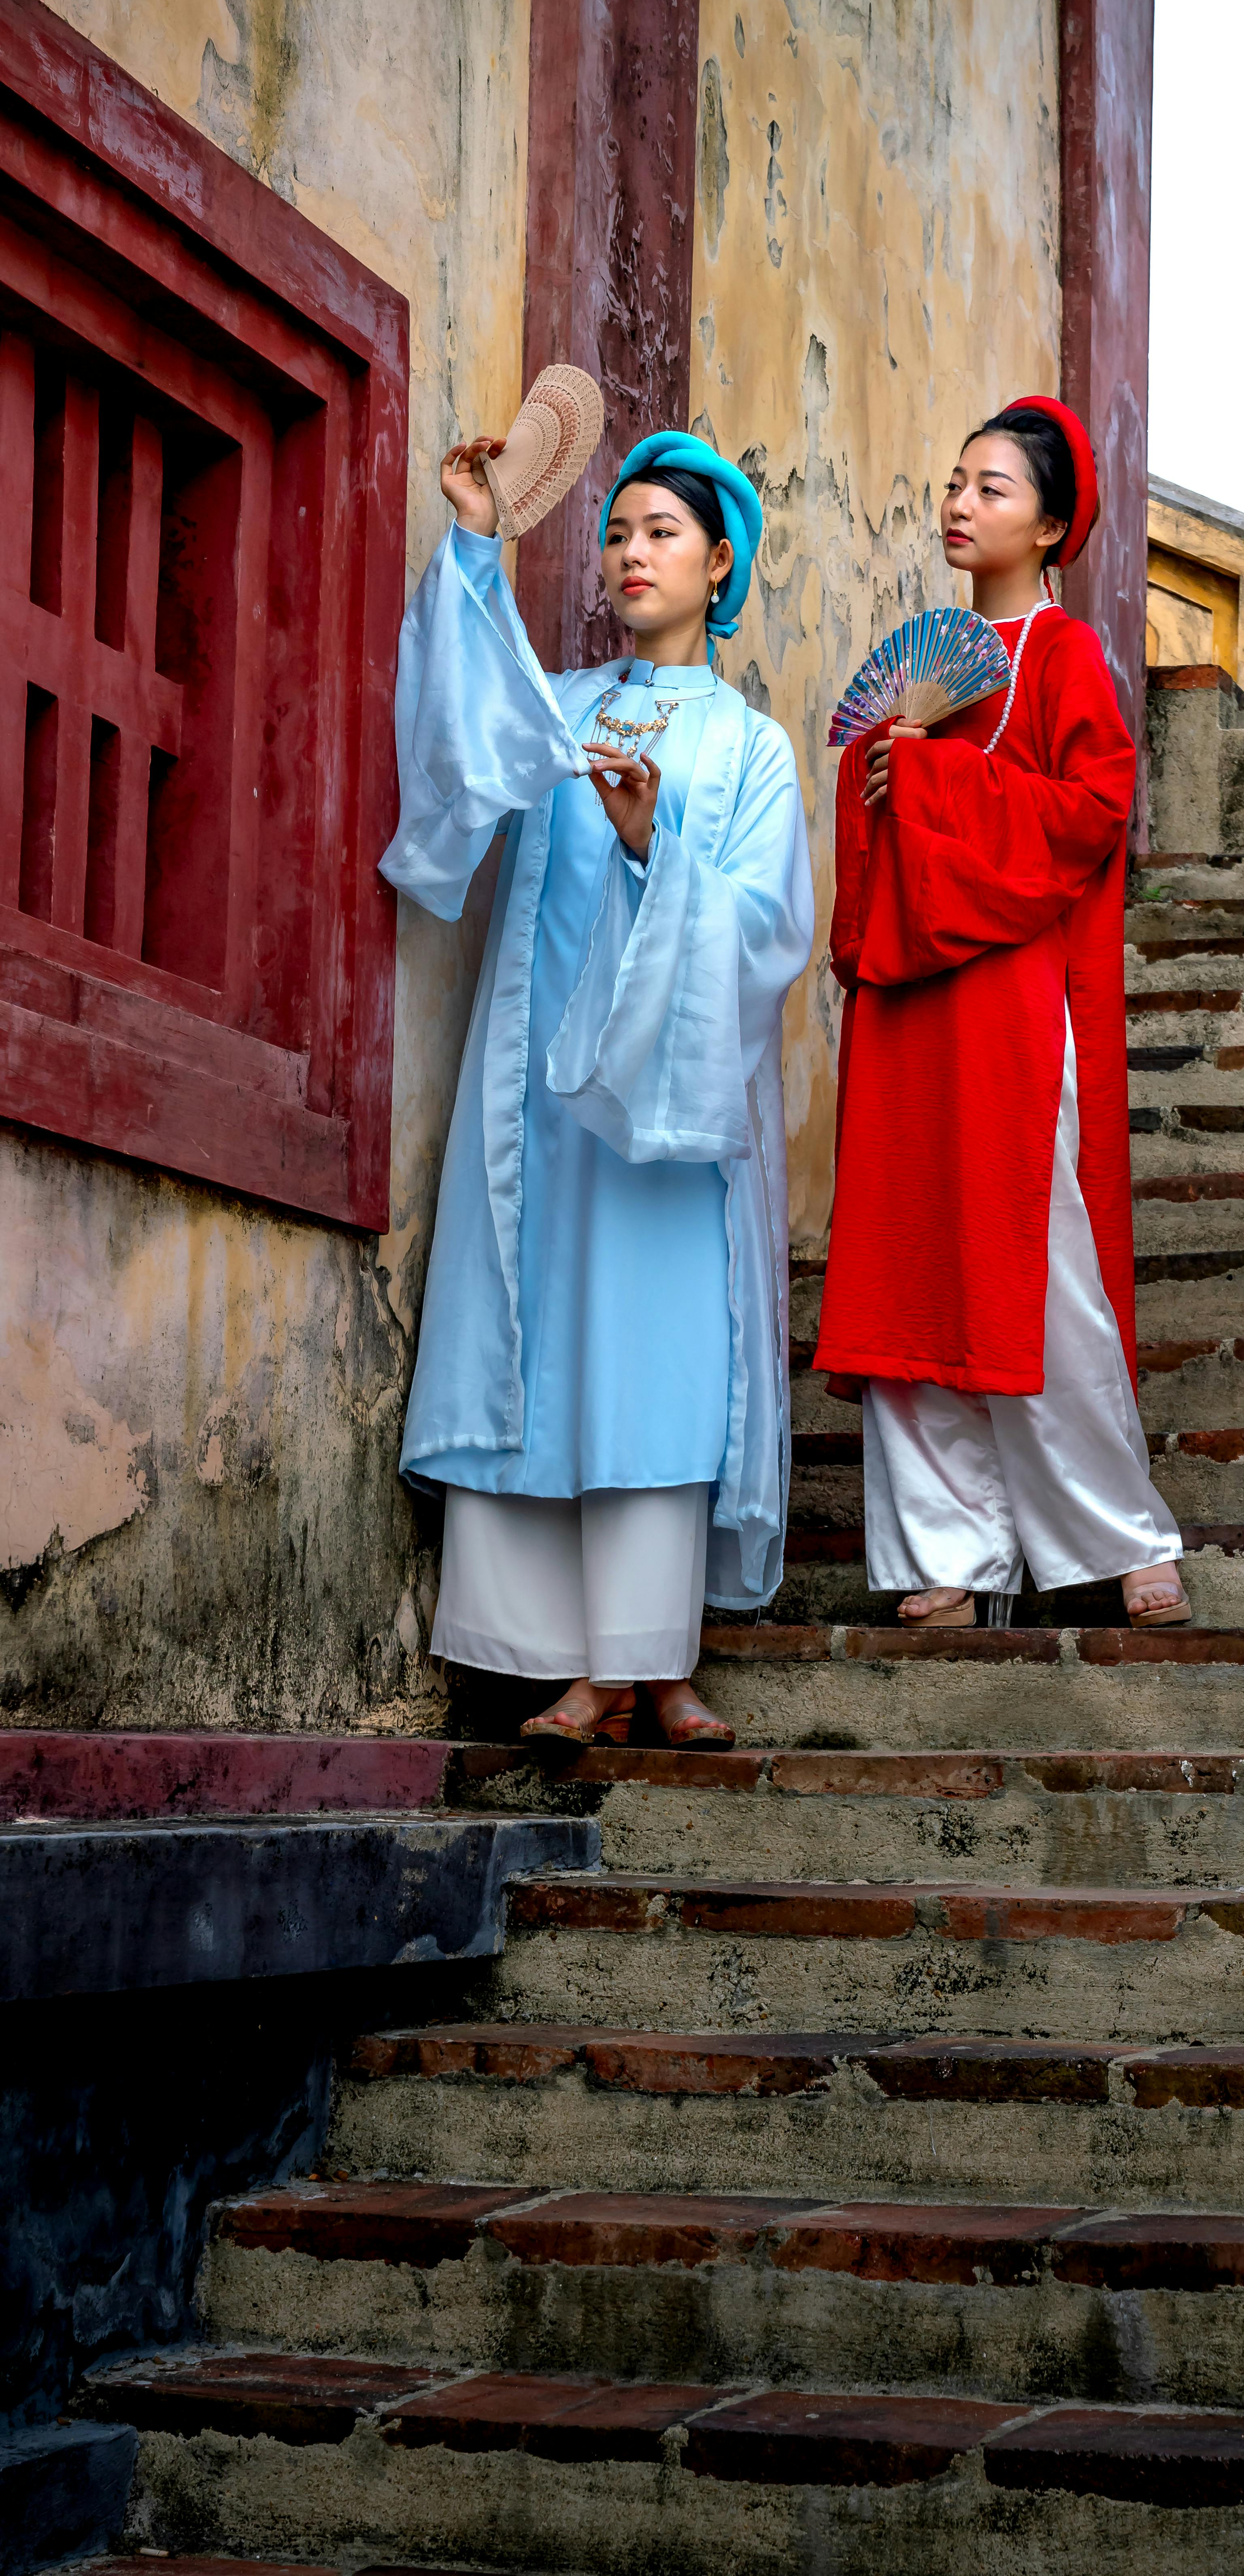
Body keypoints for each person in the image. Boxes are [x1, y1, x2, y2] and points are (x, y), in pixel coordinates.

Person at [381, 427, 813, 1742]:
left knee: (658, 1358)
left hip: (667, 1110)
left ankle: (653, 1661)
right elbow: (461, 726)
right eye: (619, 532)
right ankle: (559, 1658)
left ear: (719, 562)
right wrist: (471, 542)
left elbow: (767, 930)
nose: (631, 553)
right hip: (538, 1099)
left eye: (661, 533)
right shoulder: (559, 704)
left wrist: (651, 844)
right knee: (541, 1341)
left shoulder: (753, 750)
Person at [813, 396, 1188, 1630]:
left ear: (1053, 527)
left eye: (993, 488)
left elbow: (1089, 816)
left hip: (1019, 1001)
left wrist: (937, 772)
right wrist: (887, 772)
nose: (960, 505)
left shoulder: (1066, 658)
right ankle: (952, 1554)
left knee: (1040, 1270)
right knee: (914, 1270)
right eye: (956, 483)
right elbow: (872, 848)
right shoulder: (921, 668)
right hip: (913, 1002)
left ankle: (1120, 1530)